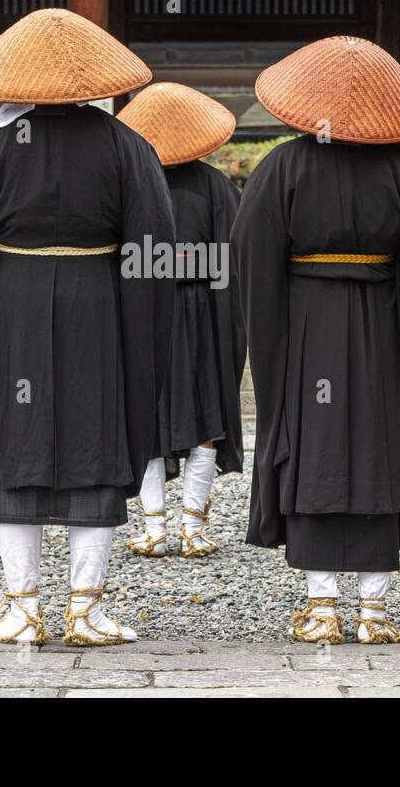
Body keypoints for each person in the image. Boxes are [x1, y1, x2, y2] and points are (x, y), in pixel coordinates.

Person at [0, 9, 175, 646]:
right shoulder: (125, 143)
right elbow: (152, 248)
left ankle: (22, 608)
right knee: (94, 446)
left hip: (11, 307)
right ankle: (85, 610)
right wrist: (143, 335)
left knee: (18, 448)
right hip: (99, 309)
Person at [231, 37, 400, 643]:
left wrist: (270, 346)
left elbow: (253, 264)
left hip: (306, 327)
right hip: (384, 326)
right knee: (379, 444)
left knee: (313, 447)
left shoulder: (282, 166)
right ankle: (374, 610)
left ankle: (323, 606)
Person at [115, 83, 245, 559]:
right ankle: (187, 527)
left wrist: (153, 261)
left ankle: (166, 528)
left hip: (159, 311)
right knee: (188, 415)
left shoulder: (130, 182)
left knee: (167, 417)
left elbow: (125, 257)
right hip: (189, 312)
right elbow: (227, 259)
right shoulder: (214, 184)